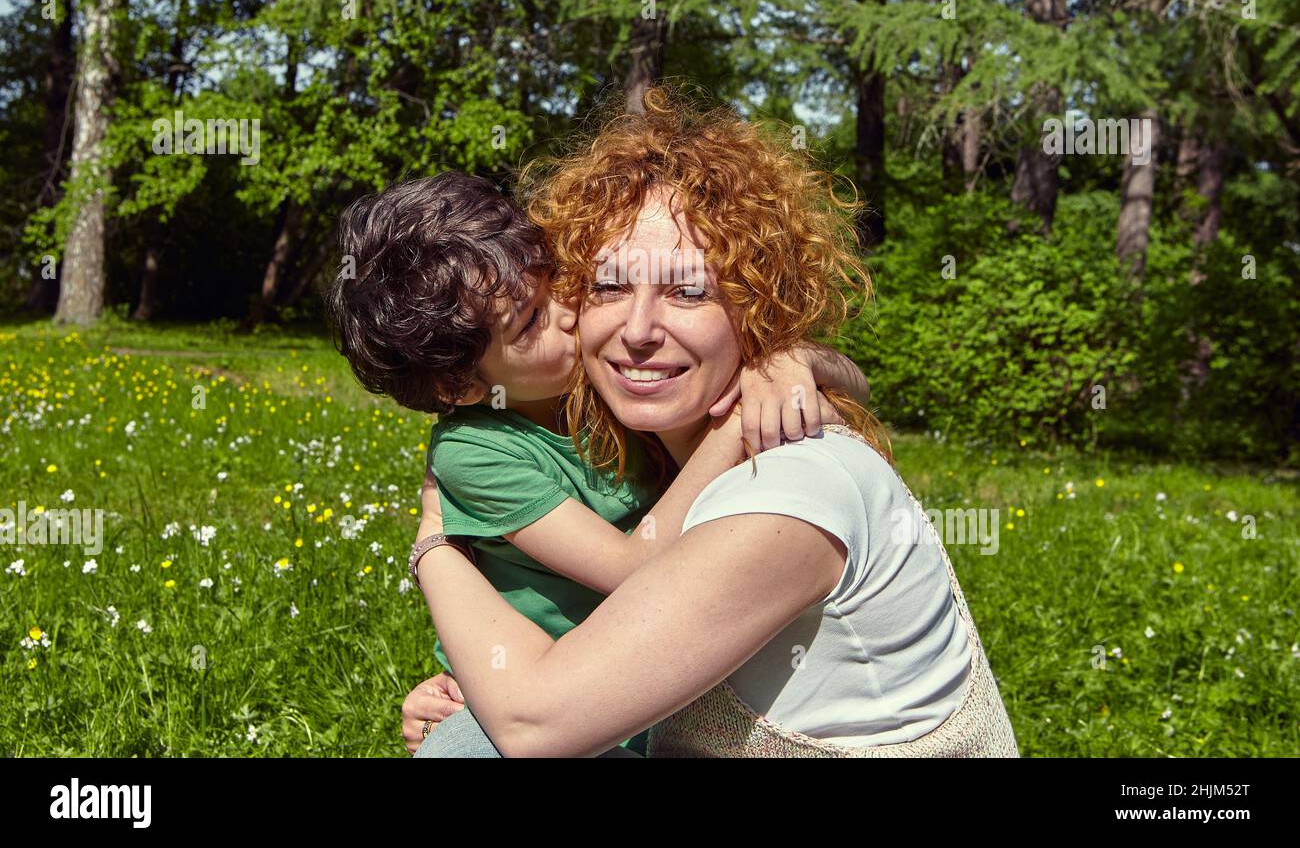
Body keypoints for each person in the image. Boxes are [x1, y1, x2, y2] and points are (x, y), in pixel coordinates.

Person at [408, 85, 1019, 757]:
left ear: (756, 305)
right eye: (610, 286)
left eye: (688, 289)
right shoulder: (654, 444)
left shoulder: (785, 487)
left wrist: (437, 541)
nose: (638, 330)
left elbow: (534, 726)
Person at [321, 170, 870, 756]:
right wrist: (733, 424)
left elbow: (853, 382)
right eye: (529, 322)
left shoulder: (603, 376)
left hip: (653, 676)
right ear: (460, 386)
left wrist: (787, 361)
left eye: (551, 282)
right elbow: (634, 569)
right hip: (564, 691)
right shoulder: (474, 450)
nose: (564, 312)